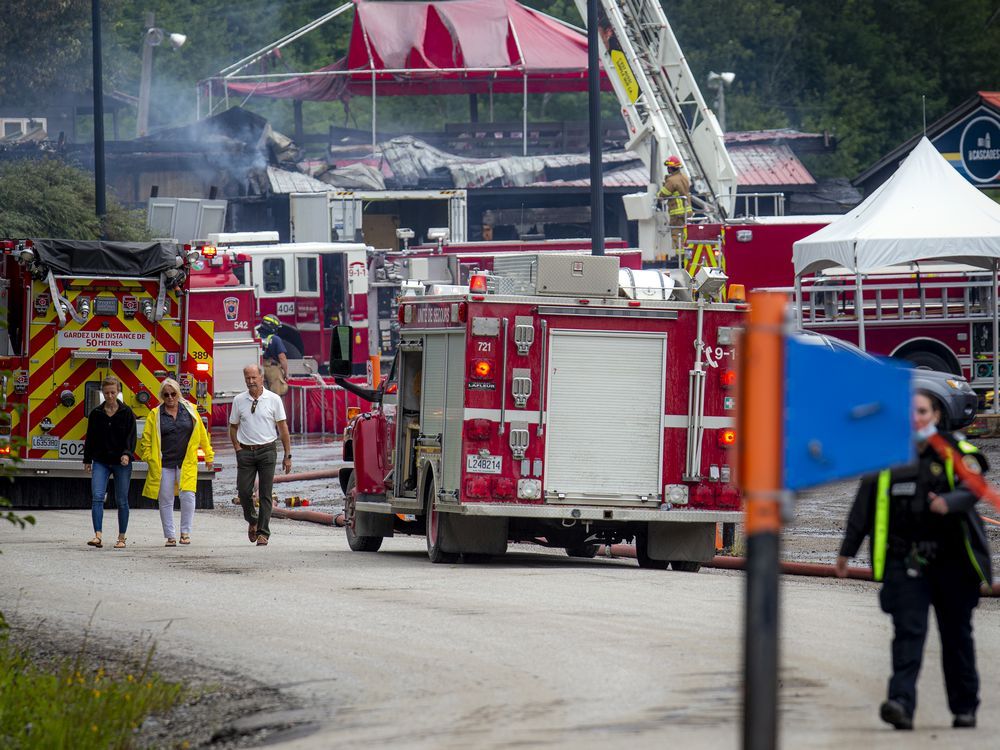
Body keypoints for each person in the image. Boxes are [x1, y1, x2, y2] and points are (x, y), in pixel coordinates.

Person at [836, 390, 992, 731]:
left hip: (952, 563)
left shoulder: (955, 450)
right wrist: (846, 552)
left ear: (936, 415)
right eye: (910, 412)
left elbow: (975, 484)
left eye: (922, 411)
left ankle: (965, 707)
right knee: (908, 633)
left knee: (957, 638)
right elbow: (863, 507)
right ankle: (900, 704)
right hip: (907, 560)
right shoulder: (887, 457)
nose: (915, 418)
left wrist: (948, 503)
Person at [137, 378, 214, 547]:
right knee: (165, 499)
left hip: (186, 462)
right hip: (164, 464)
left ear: (178, 393)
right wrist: (149, 458)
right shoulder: (155, 414)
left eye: (173, 394)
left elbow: (202, 434)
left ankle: (185, 533)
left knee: (188, 496)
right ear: (162, 396)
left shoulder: (190, 411)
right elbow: (146, 441)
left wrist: (209, 456)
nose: (170, 397)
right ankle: (170, 536)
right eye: (166, 395)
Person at [230, 364, 292, 546]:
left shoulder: (273, 399)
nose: (251, 382)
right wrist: (237, 449)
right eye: (247, 378)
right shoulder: (239, 400)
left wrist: (287, 455)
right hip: (246, 452)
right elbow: (233, 427)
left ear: (261, 377)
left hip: (267, 451)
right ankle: (252, 520)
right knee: (243, 490)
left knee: (265, 493)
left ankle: (263, 532)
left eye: (253, 378)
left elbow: (283, 429)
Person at [82, 376, 136, 549]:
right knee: (97, 497)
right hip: (101, 460)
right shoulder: (96, 414)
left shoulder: (126, 413)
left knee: (122, 500)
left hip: (121, 462)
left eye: (113, 392)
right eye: (106, 393)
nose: (110, 396)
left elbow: (131, 437)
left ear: (118, 391)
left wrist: (127, 454)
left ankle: (122, 537)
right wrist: (87, 459)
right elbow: (90, 438)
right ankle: (97, 535)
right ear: (102, 393)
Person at [657, 155, 691, 251]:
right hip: (687, 210)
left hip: (677, 213)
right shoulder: (684, 177)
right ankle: (686, 252)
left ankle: (680, 255)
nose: (667, 169)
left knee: (676, 234)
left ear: (671, 168)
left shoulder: (672, 180)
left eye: (668, 167)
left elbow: (663, 194)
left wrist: (658, 195)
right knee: (685, 233)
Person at [258, 314, 289, 395]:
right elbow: (282, 358)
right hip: (272, 369)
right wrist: (286, 373)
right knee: (277, 394)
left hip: (258, 368)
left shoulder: (256, 337)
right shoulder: (276, 339)